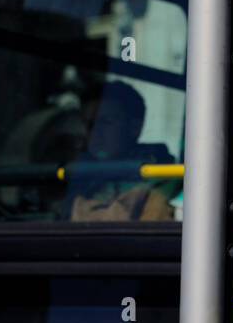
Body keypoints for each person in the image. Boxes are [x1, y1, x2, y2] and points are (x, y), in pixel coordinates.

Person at [66, 79, 178, 222]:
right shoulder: (77, 176)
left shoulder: (162, 179)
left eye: (106, 122)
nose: (93, 132)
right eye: (88, 123)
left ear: (134, 127)